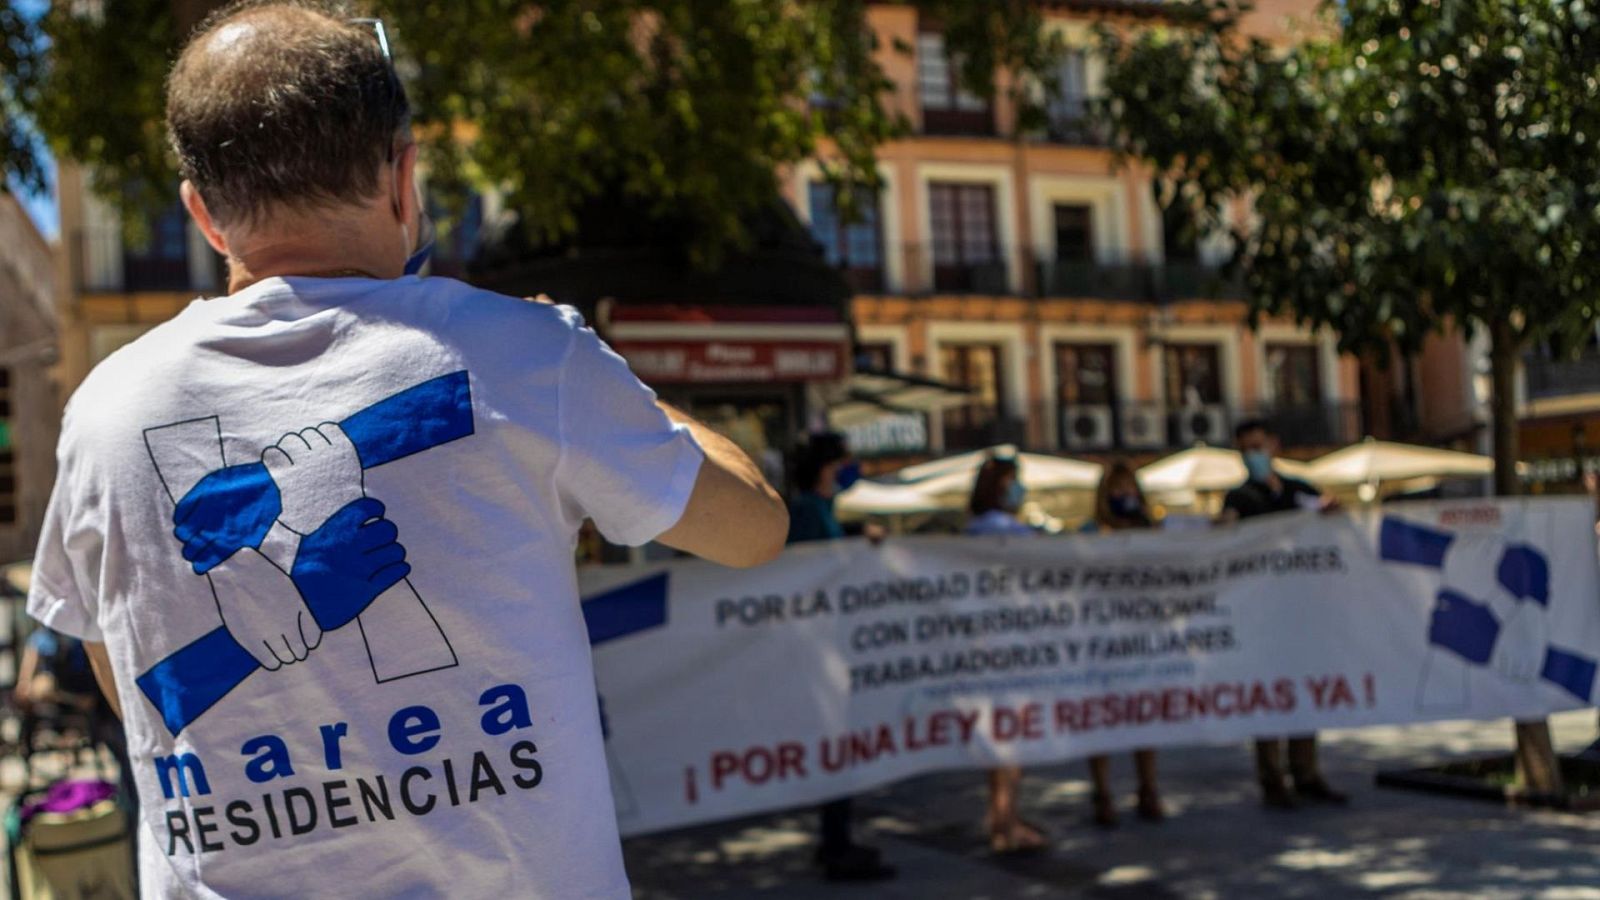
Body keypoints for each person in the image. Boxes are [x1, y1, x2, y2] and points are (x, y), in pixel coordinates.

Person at [25, 5, 788, 897]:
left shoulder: (104, 414)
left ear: (202, 213)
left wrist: (287, 630)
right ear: (402, 176)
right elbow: (753, 529)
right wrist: (594, 370)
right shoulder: (530, 354)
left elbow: (129, 680)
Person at [1219, 419, 1348, 809]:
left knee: (1304, 689)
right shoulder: (1239, 498)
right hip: (1261, 614)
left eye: (1257, 447)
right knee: (1268, 695)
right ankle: (1272, 777)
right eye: (1245, 450)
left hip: (1301, 611)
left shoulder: (1299, 490)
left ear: (1273, 445)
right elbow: (1225, 541)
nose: (1252, 456)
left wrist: (1332, 512)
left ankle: (1306, 771)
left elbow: (1331, 519)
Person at [787, 432, 897, 882]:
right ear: (827, 466)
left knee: (840, 742)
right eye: (845, 463)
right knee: (834, 740)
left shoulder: (822, 510)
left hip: (835, 646)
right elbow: (809, 564)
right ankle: (836, 845)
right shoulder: (806, 510)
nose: (852, 470)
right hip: (819, 649)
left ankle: (837, 838)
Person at [965, 454, 1049, 854]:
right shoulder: (1007, 532)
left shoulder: (971, 531)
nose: (1020, 488)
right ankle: (1006, 823)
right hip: (1010, 647)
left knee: (998, 736)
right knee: (1011, 737)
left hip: (985, 648)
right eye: (1015, 481)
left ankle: (1002, 814)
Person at [1080, 462, 1165, 828]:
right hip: (1100, 640)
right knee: (1101, 718)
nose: (1124, 496)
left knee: (1143, 716)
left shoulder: (1151, 530)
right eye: (1117, 490)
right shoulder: (1087, 533)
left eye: (1129, 489)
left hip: (1142, 639)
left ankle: (1148, 788)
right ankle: (1102, 793)